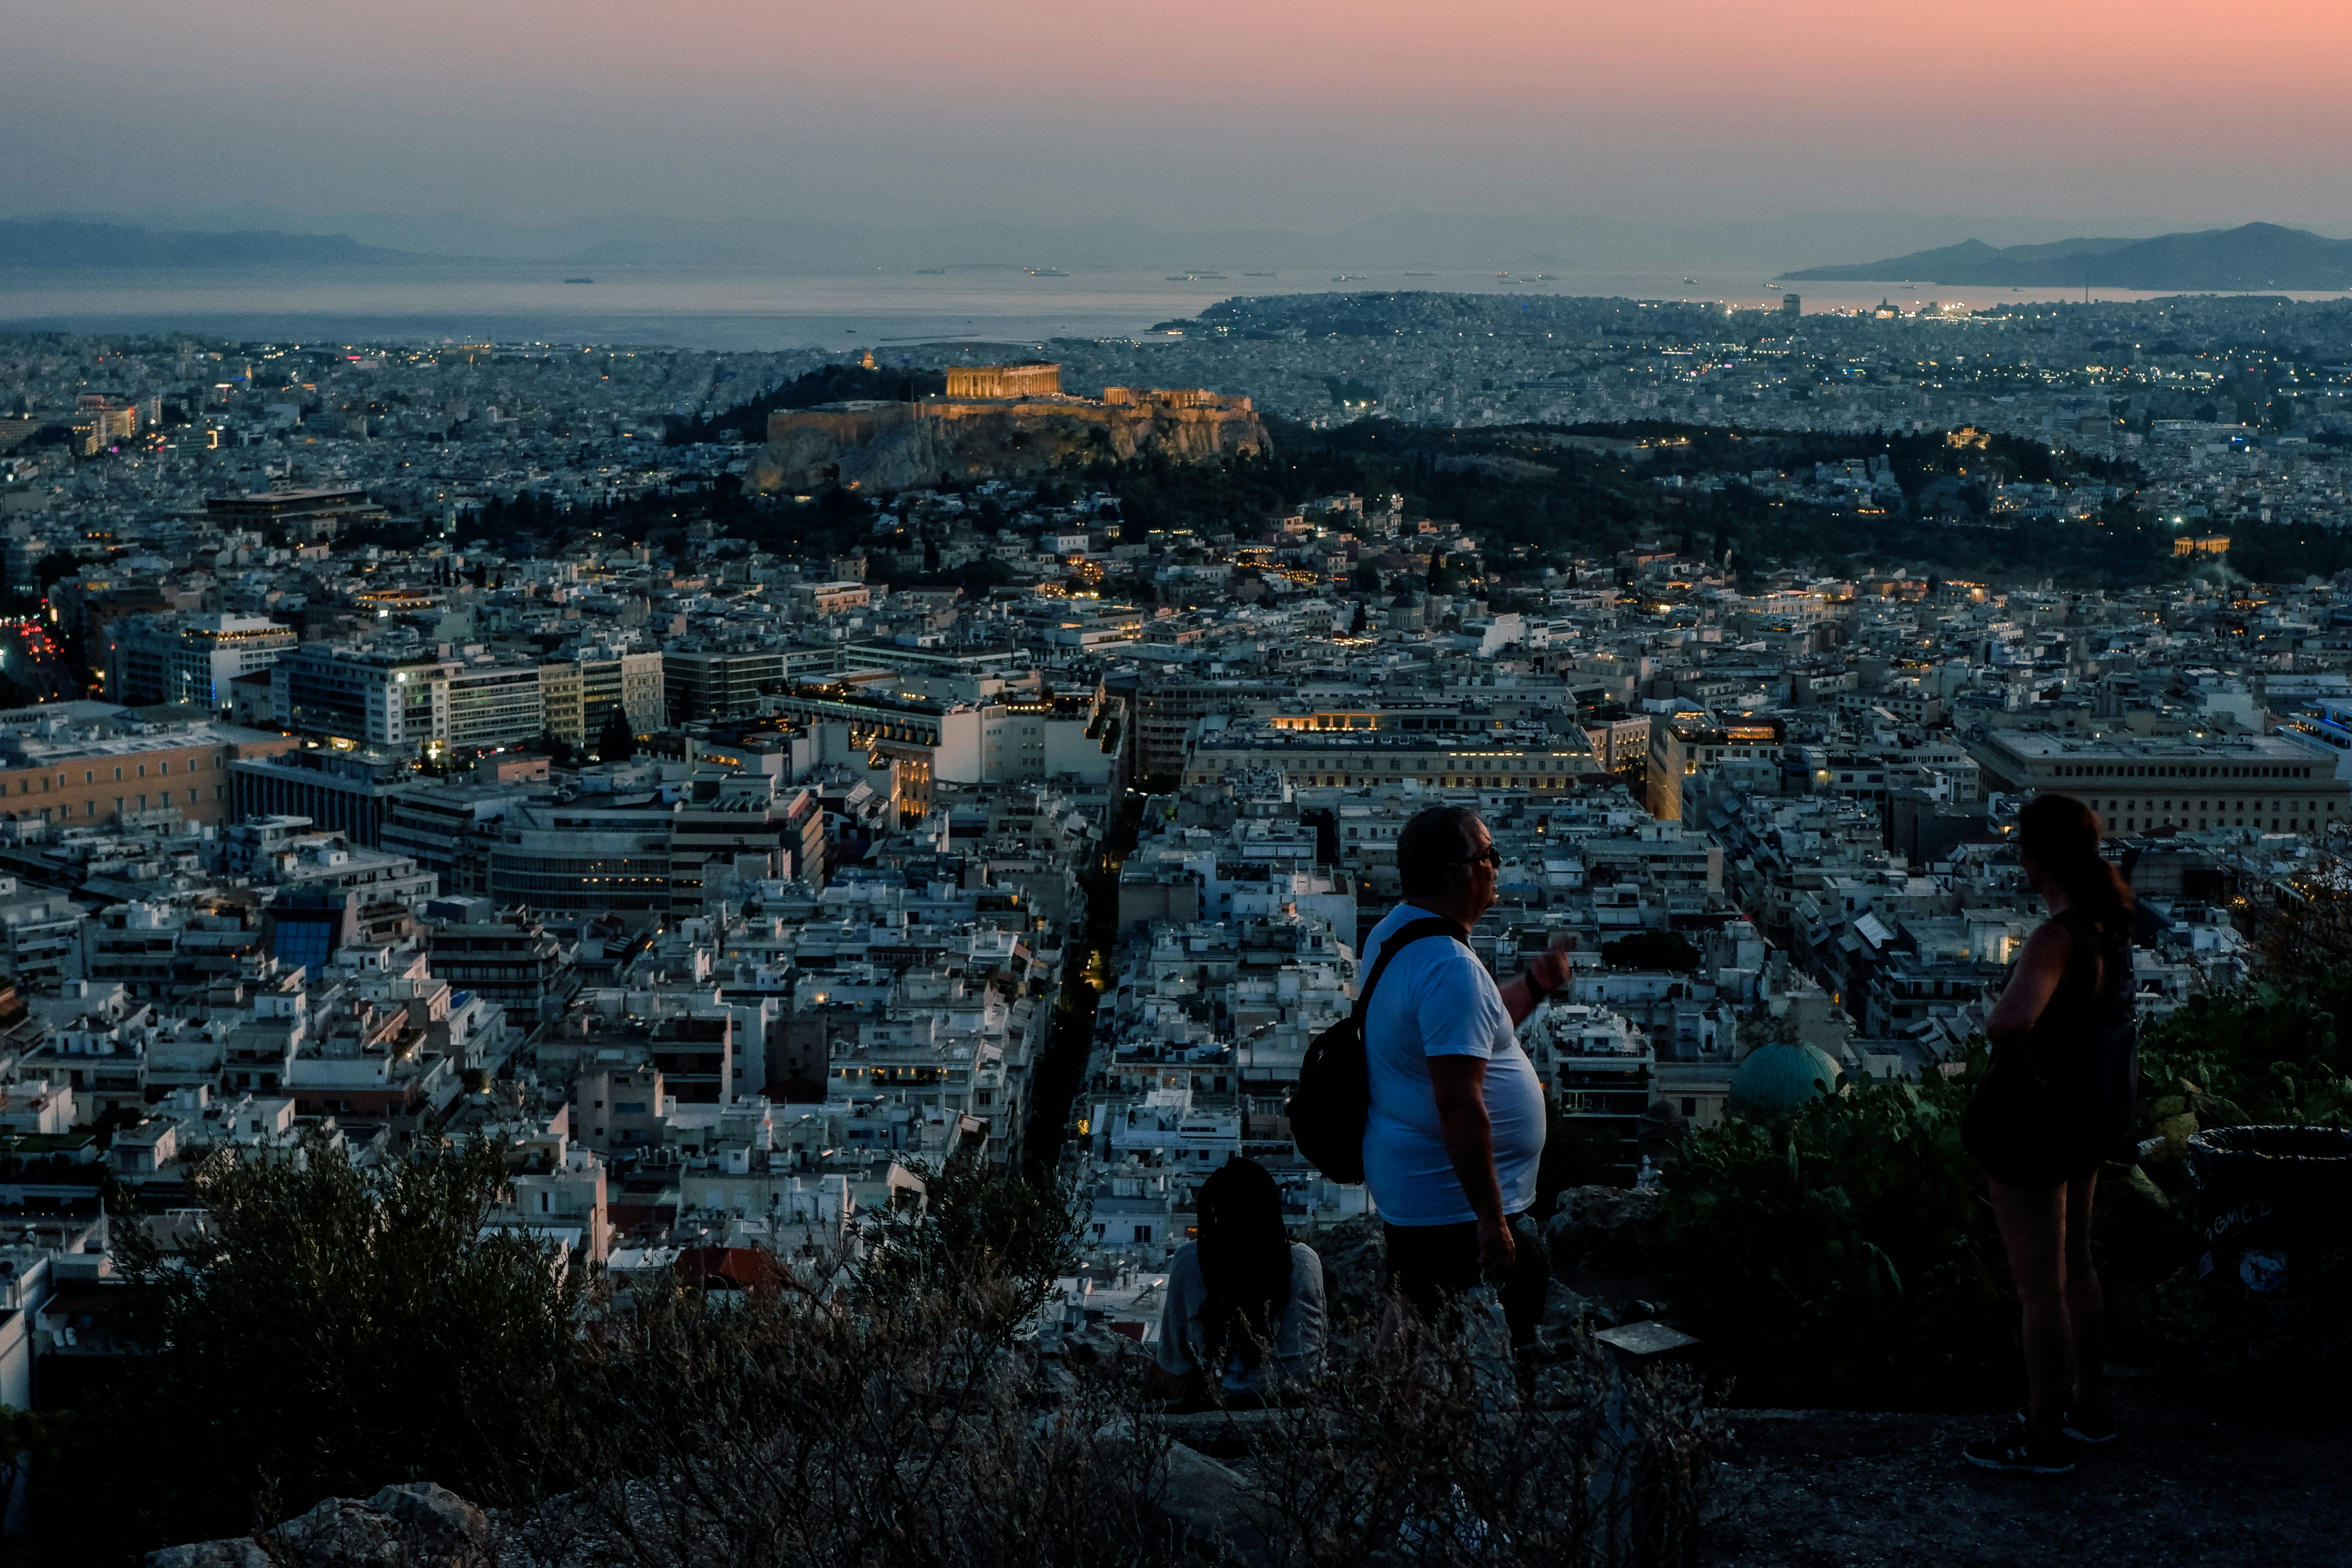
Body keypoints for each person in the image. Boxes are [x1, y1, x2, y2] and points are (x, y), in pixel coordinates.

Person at [1961, 792, 2138, 1474]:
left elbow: (2010, 1020)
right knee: (2078, 1265)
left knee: (2039, 1289)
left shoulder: (2054, 937)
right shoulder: (2110, 923)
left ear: (2035, 862)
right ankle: (2089, 1408)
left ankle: (2042, 1436)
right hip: (2089, 1114)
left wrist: (2007, 1019)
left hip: (2036, 1124)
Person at [1360, 804, 1571, 1347]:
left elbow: (1466, 1033)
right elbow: (1460, 1105)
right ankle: (1475, 1425)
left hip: (1414, 1184)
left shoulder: (1394, 935)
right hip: (1447, 1201)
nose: (1497, 866)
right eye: (1488, 856)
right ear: (1457, 872)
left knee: (1412, 1313)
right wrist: (1491, 1220)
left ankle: (1384, 1421)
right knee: (1507, 1303)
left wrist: (1535, 986)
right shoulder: (1449, 968)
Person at [1153, 1157, 1328, 1406]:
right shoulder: (1305, 1262)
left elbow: (1173, 1365)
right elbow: (1319, 1347)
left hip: (1224, 1407)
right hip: (1303, 1407)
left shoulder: (1190, 1262)